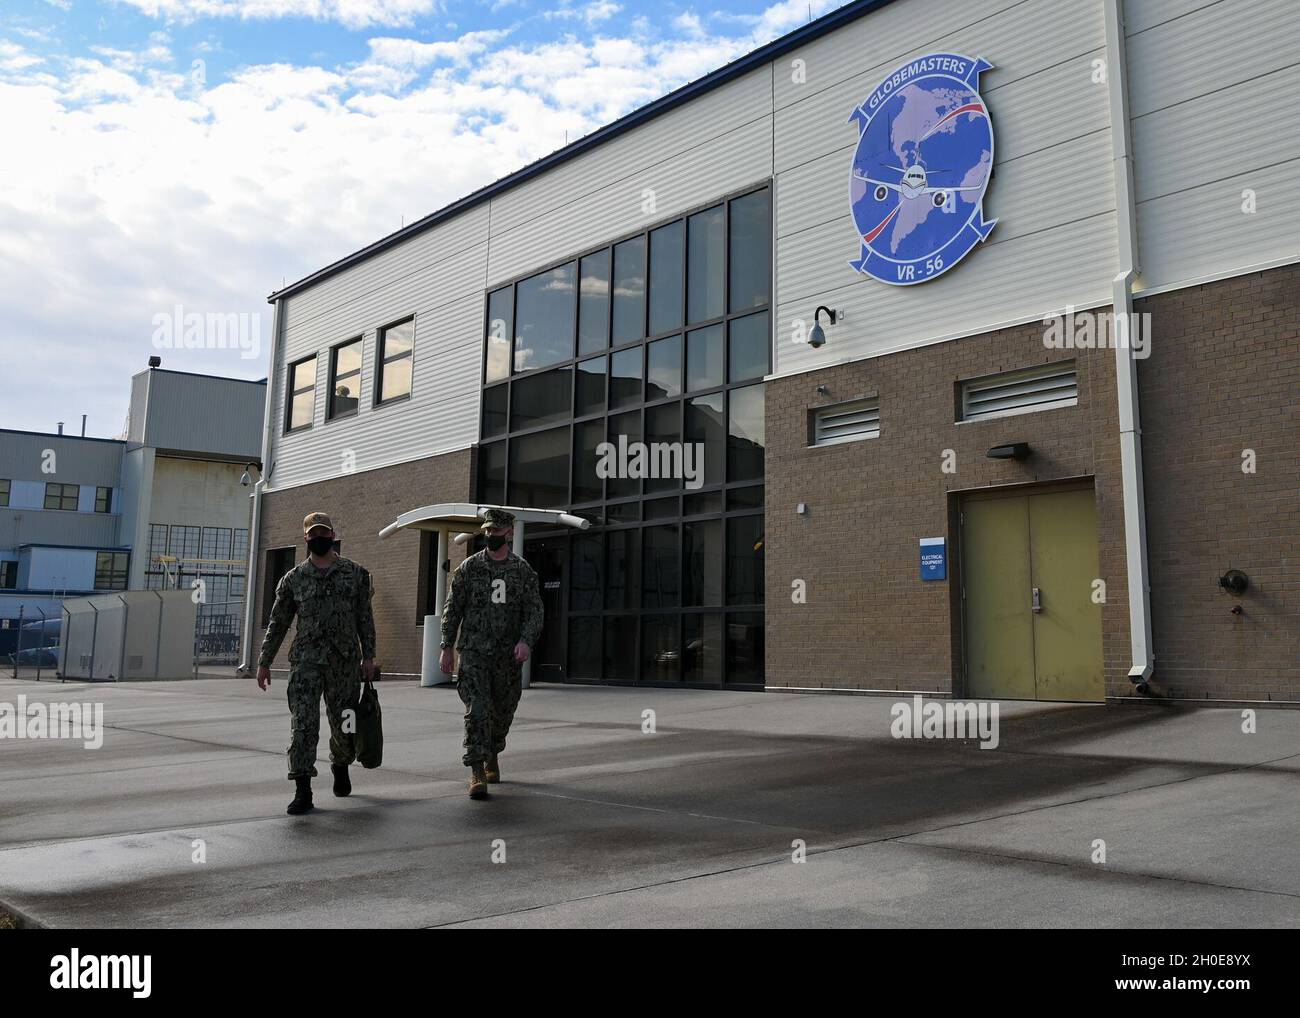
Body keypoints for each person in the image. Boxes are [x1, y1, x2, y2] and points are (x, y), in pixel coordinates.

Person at [256, 512, 377, 815]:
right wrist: (264, 661)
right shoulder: (293, 579)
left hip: (344, 663)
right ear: (306, 538)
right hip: (306, 664)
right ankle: (302, 788)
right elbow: (278, 622)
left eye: (324, 533)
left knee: (345, 722)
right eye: (313, 534)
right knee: (303, 726)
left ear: (333, 535)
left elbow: (365, 618)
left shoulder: (355, 574)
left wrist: (369, 656)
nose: (319, 538)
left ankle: (341, 763)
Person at [440, 509, 543, 799]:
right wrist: (446, 647)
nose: (490, 535)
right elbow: (452, 608)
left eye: (496, 531)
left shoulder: (522, 571)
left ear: (509, 533)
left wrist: (526, 641)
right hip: (474, 653)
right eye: (487, 530)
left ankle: (493, 752)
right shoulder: (469, 568)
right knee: (477, 710)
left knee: (502, 711)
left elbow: (534, 611)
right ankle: (476, 770)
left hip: (507, 656)